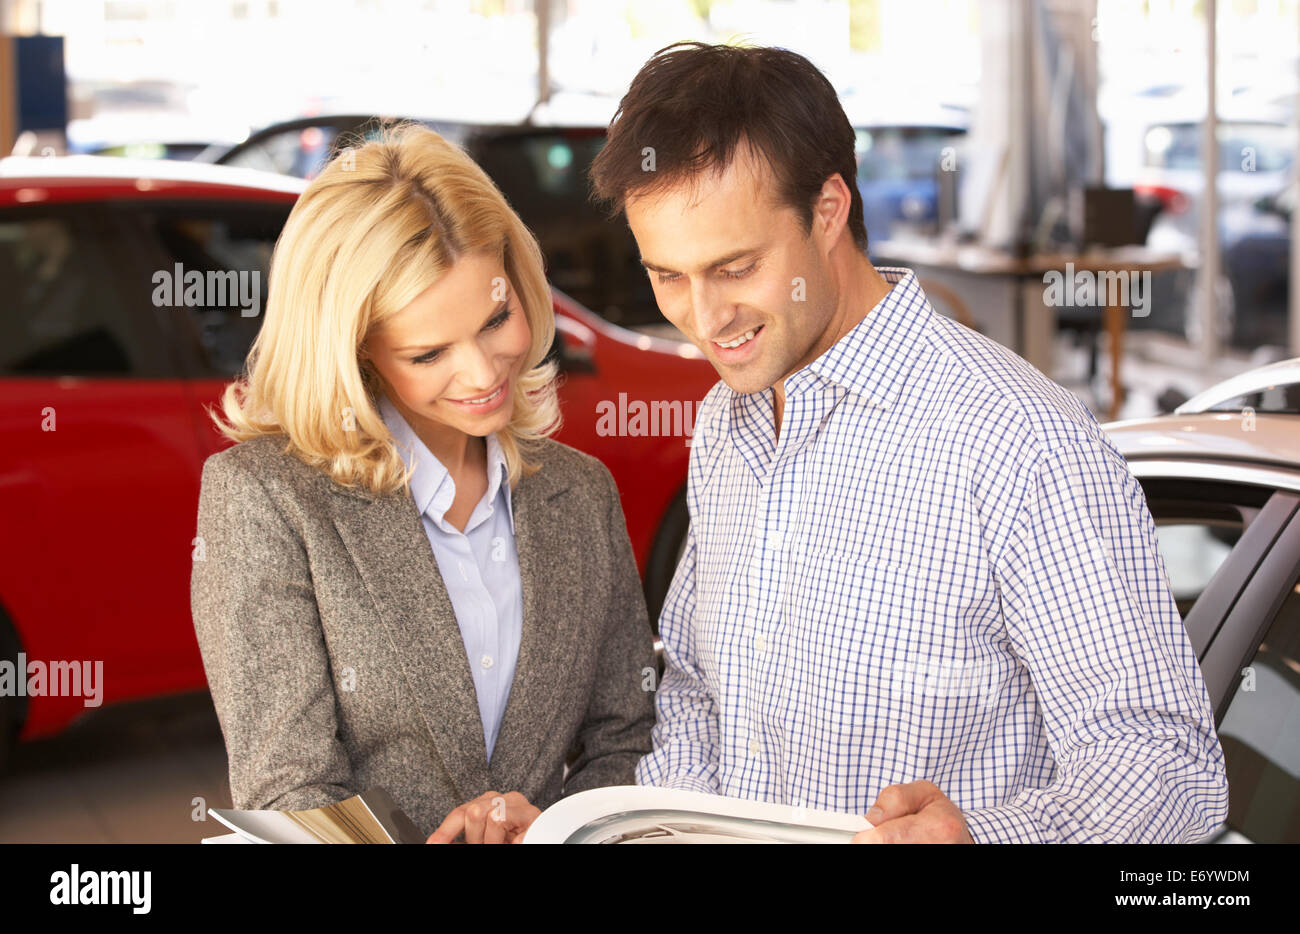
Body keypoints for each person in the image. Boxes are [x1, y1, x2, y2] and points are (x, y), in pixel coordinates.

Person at [589, 42, 1229, 843]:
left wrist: (983, 839)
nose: (705, 318)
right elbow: (695, 689)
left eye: (737, 267)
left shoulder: (1022, 443)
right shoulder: (729, 420)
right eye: (668, 275)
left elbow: (1168, 769)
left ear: (827, 211)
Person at [191, 122, 655, 844]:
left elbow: (626, 738)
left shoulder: (581, 493)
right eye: (429, 352)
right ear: (357, 353)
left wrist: (557, 830)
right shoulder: (265, 498)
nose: (481, 372)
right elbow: (288, 794)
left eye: (496, 317)